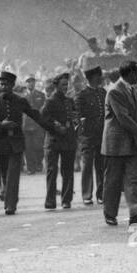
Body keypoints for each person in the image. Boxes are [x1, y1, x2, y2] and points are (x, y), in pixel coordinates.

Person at [0, 70, 59, 215]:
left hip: (16, 143)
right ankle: (7, 196)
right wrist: (1, 125)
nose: (3, 86)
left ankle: (10, 205)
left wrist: (51, 127)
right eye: (1, 84)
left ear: (12, 85)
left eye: (6, 84)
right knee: (5, 175)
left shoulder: (21, 101)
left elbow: (35, 115)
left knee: (13, 175)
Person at [102, 60, 137, 227]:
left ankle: (136, 215)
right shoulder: (115, 91)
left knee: (135, 180)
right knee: (113, 181)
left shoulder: (131, 89)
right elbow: (124, 119)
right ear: (130, 73)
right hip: (116, 144)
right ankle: (110, 214)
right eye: (136, 73)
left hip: (132, 143)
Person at [40, 72, 81, 209]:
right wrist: (56, 126)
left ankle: (66, 200)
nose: (65, 87)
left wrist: (77, 122)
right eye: (63, 85)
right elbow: (43, 119)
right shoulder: (50, 101)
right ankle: (50, 201)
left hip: (68, 140)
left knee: (68, 171)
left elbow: (75, 116)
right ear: (56, 86)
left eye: (66, 84)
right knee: (52, 171)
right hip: (53, 141)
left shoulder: (69, 101)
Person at [76, 66, 107, 205]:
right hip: (88, 136)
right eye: (98, 76)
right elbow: (78, 116)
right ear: (92, 78)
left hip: (101, 134)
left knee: (101, 165)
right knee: (87, 165)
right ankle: (87, 194)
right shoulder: (82, 95)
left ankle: (101, 194)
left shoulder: (103, 92)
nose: (100, 78)